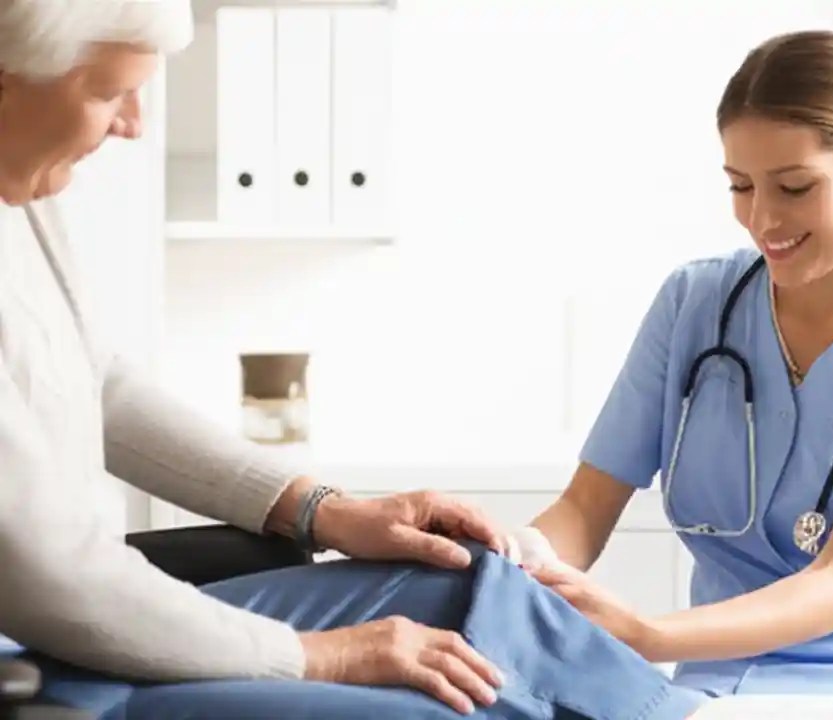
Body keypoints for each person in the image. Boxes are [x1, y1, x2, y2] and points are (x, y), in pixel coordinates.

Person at [0, 2, 706, 718]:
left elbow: (102, 389)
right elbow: (59, 582)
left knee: (467, 590)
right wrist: (329, 654)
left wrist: (324, 511)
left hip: (87, 624)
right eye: (106, 92)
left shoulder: (22, 198)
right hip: (53, 657)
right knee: (453, 700)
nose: (133, 123)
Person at [518, 30, 833, 718]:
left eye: (794, 187)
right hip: (727, 675)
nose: (762, 219)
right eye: (740, 186)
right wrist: (517, 569)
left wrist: (646, 635)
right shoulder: (694, 306)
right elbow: (583, 508)